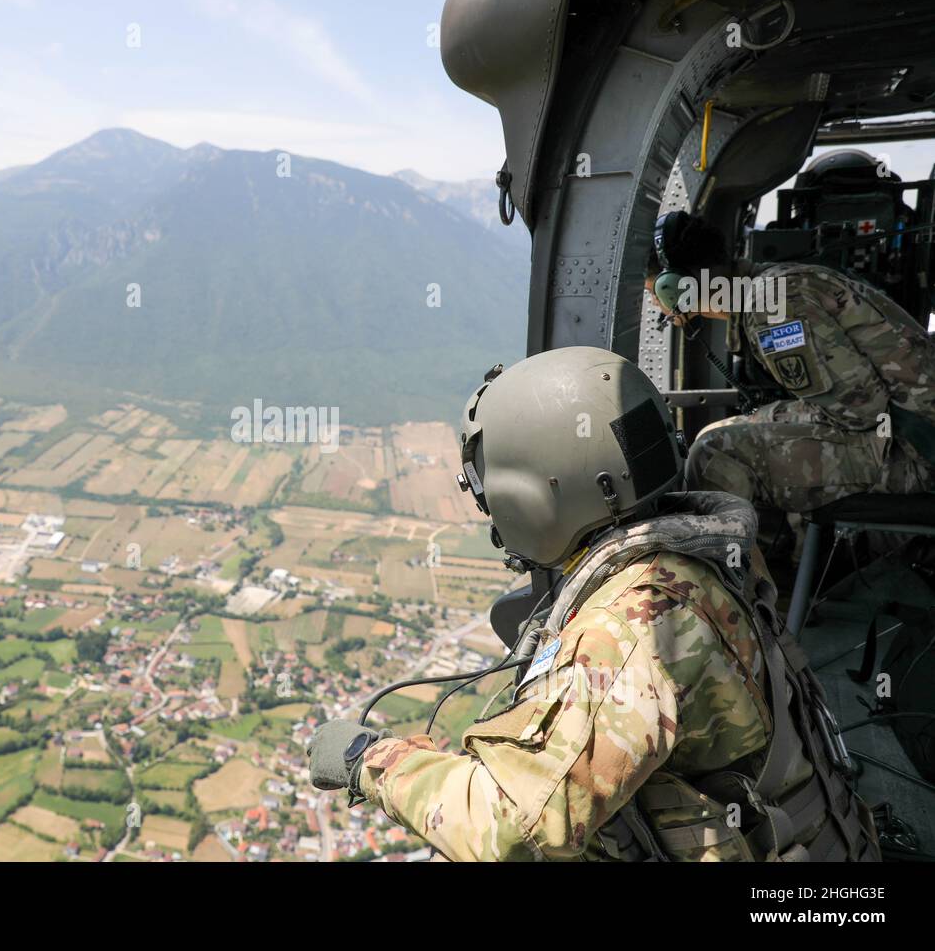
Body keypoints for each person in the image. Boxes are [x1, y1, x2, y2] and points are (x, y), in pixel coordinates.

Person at [307, 346, 879, 861]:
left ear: (535, 492)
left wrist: (370, 762)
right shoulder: (698, 547)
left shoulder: (630, 626)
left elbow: (514, 827)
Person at [647, 209, 935, 513]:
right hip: (908, 431)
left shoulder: (771, 306)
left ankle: (734, 559)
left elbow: (860, 411)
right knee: (724, 431)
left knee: (714, 454)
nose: (656, 304)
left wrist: (775, 418)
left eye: (654, 293)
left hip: (915, 452)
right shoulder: (771, 286)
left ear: (677, 286)